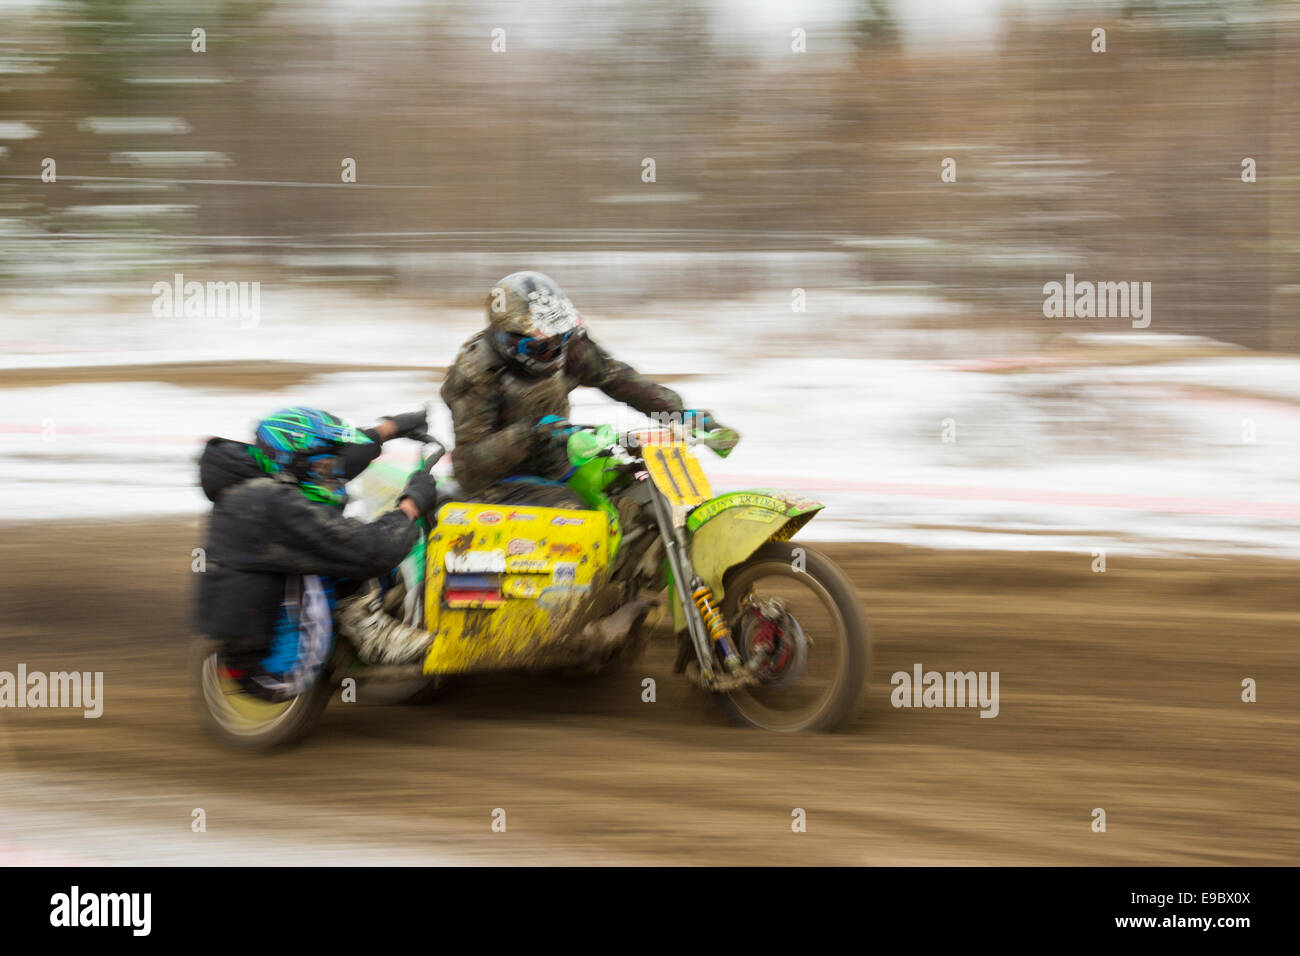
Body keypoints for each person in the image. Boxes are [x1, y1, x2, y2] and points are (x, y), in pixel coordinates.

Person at [195, 406, 437, 700]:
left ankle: (358, 620)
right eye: (324, 468)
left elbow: (338, 460)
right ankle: (371, 635)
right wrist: (410, 504)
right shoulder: (272, 506)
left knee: (347, 541)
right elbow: (373, 550)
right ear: (291, 463)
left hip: (262, 610)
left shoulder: (261, 474)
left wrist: (390, 428)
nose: (332, 474)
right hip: (272, 668)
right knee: (355, 546)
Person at [440, 270, 723, 507]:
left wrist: (677, 414)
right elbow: (470, 466)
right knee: (575, 513)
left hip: (559, 462)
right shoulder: (478, 372)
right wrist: (532, 433)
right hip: (497, 484)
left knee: (634, 486)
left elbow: (617, 378)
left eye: (558, 338)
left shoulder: (569, 347)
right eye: (539, 344)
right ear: (507, 338)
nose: (553, 349)